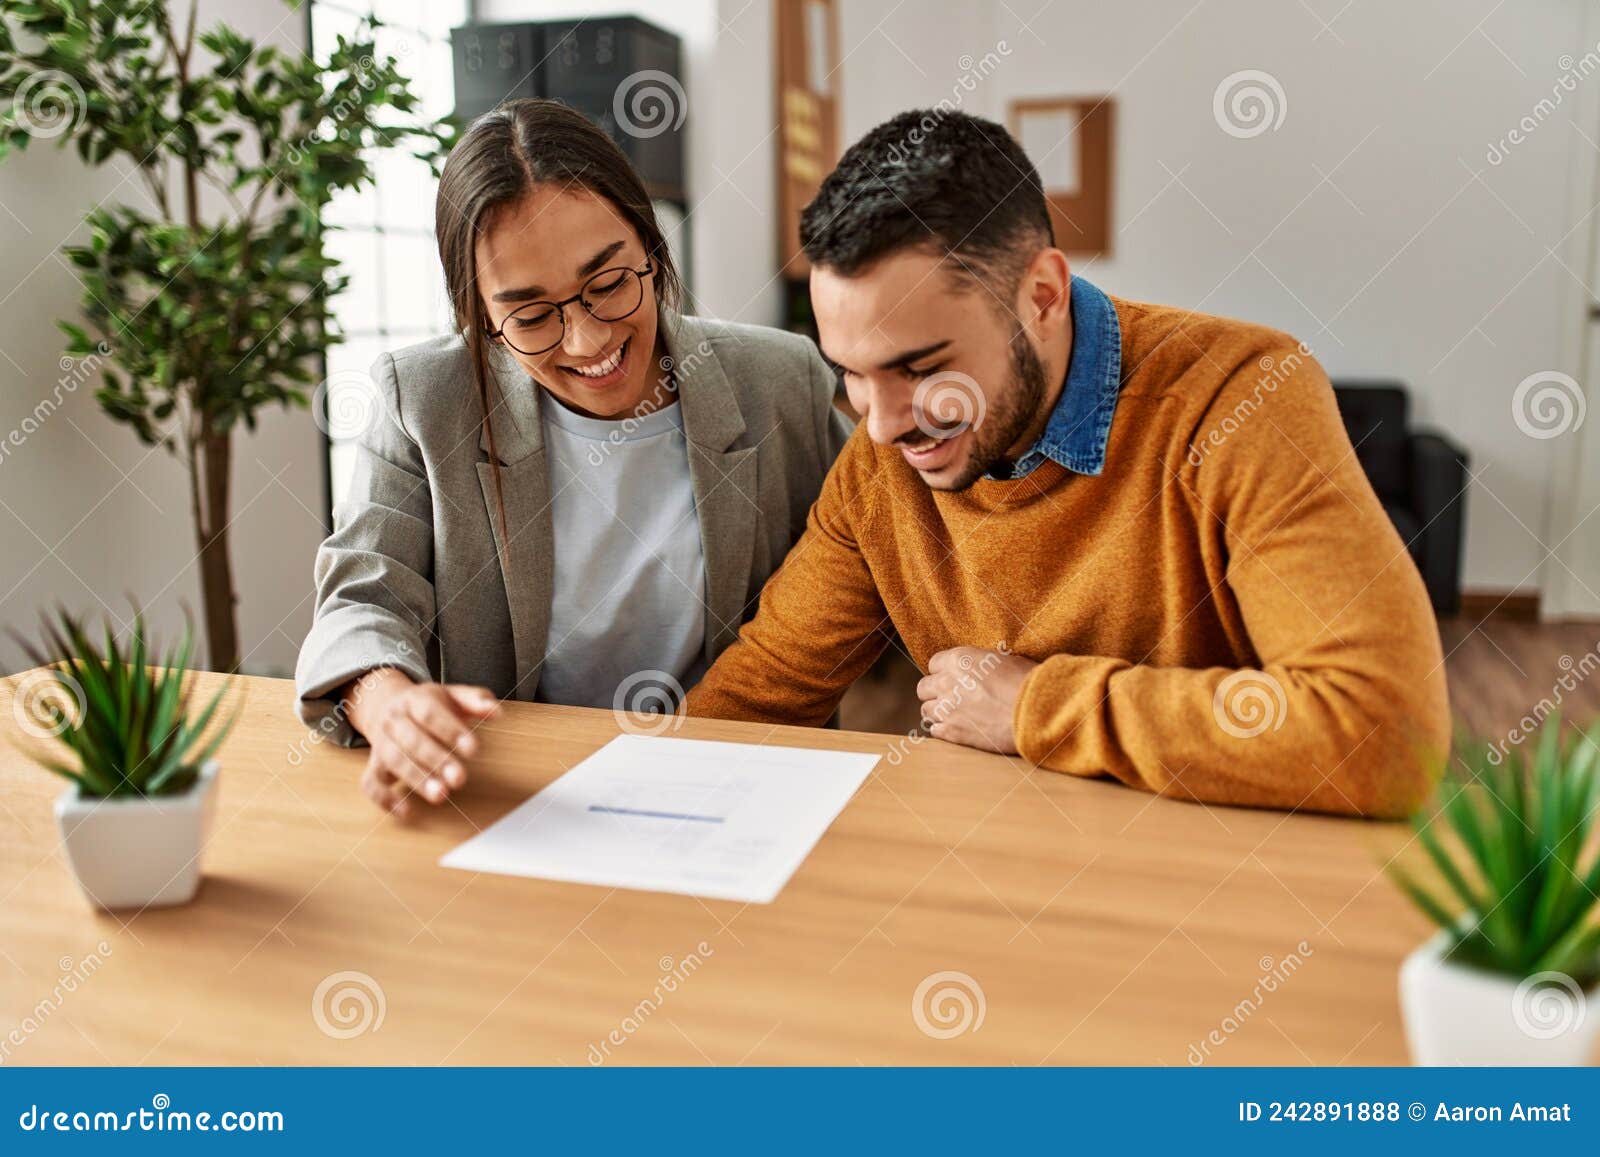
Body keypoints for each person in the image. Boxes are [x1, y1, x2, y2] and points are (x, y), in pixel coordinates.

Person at [684, 109, 1450, 817]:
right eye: (850, 371)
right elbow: (764, 688)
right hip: (1006, 890)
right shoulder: (883, 459)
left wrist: (1033, 707)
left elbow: (1385, 731)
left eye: (921, 369)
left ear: (1043, 295)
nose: (880, 425)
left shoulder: (1240, 397)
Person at [296, 99, 850, 816]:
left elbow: (884, 557)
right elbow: (361, 596)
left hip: (742, 790)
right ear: (483, 321)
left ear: (651, 248)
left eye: (610, 282)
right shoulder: (424, 402)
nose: (588, 341)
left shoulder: (779, 381)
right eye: (530, 315)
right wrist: (387, 701)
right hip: (519, 796)